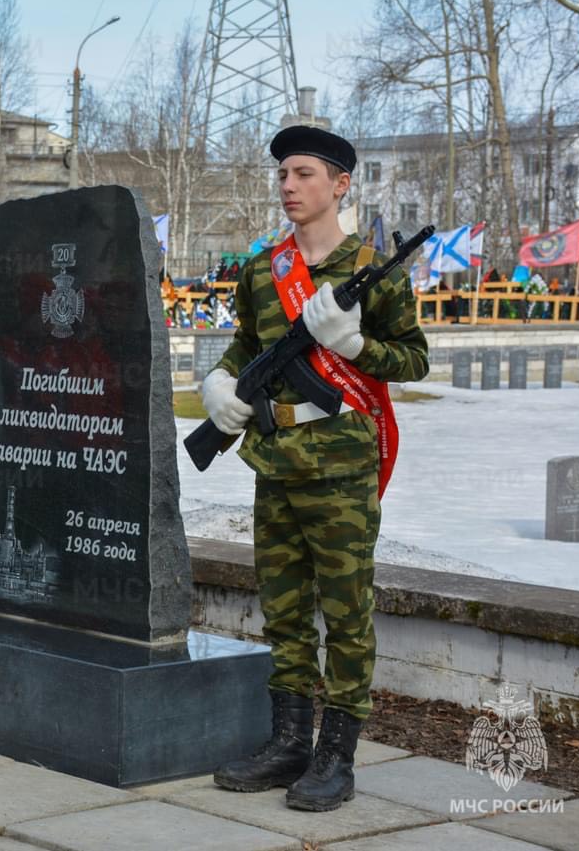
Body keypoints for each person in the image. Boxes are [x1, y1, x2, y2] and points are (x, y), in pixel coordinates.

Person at [203, 125, 428, 812]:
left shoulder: (370, 269)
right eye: (282, 175)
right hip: (276, 459)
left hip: (342, 468)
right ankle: (289, 742)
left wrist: (356, 342)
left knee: (347, 613)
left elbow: (413, 359)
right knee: (285, 611)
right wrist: (221, 380)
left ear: (340, 184)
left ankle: (337, 755)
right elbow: (247, 342)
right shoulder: (262, 270)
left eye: (303, 173)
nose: (289, 186)